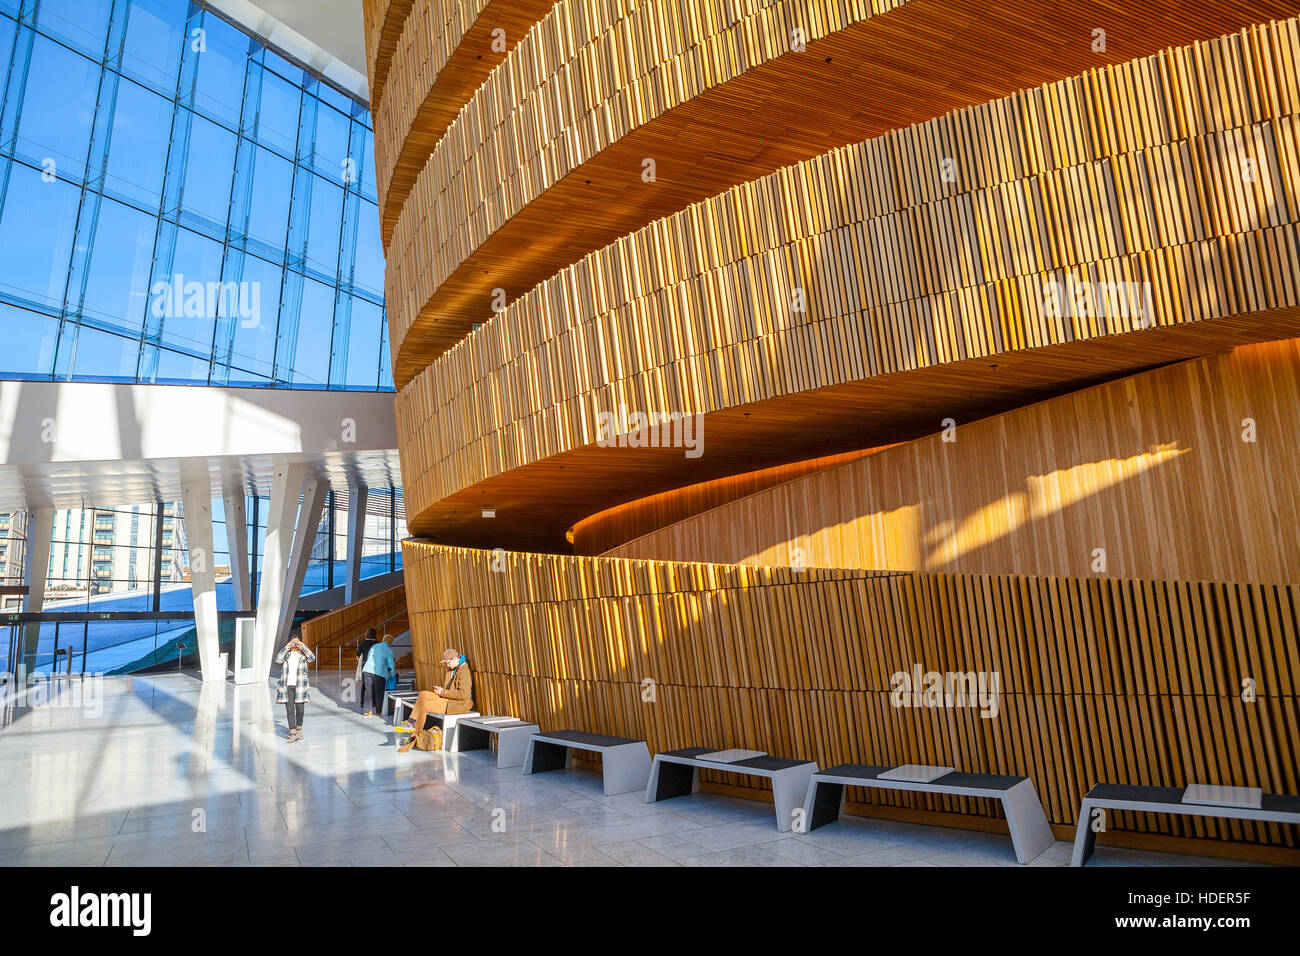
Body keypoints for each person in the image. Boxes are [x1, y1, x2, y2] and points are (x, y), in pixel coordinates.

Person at [397, 647, 473, 753]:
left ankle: (413, 734)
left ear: (455, 658)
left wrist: (443, 692)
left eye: (448, 662)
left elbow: (463, 694)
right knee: (423, 694)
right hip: (447, 698)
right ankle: (411, 723)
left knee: (424, 707)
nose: (446, 664)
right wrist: (441, 691)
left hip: (458, 704)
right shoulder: (453, 669)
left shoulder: (464, 671)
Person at [275, 634, 316, 742]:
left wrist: (303, 647)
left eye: (297, 642)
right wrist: (286, 647)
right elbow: (278, 659)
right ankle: (292, 733)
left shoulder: (303, 655)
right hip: (287, 686)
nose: (295, 645)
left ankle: (299, 729)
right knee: (290, 710)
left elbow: (312, 658)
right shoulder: (286, 654)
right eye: (293, 642)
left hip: (300, 687)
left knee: (300, 710)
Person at [360, 632, 396, 717]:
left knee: (368, 690)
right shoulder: (389, 651)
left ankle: (366, 711)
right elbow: (391, 664)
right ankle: (379, 710)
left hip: (367, 670)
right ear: (391, 642)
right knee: (379, 692)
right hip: (378, 673)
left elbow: (369, 657)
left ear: (383, 640)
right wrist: (393, 675)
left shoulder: (375, 646)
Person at [355, 627, 379, 712]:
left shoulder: (363, 643)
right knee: (375, 684)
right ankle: (374, 703)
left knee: (364, 685)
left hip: (365, 666)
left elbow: (358, 654)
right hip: (375, 666)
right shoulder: (377, 643)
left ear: (367, 634)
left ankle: (362, 703)